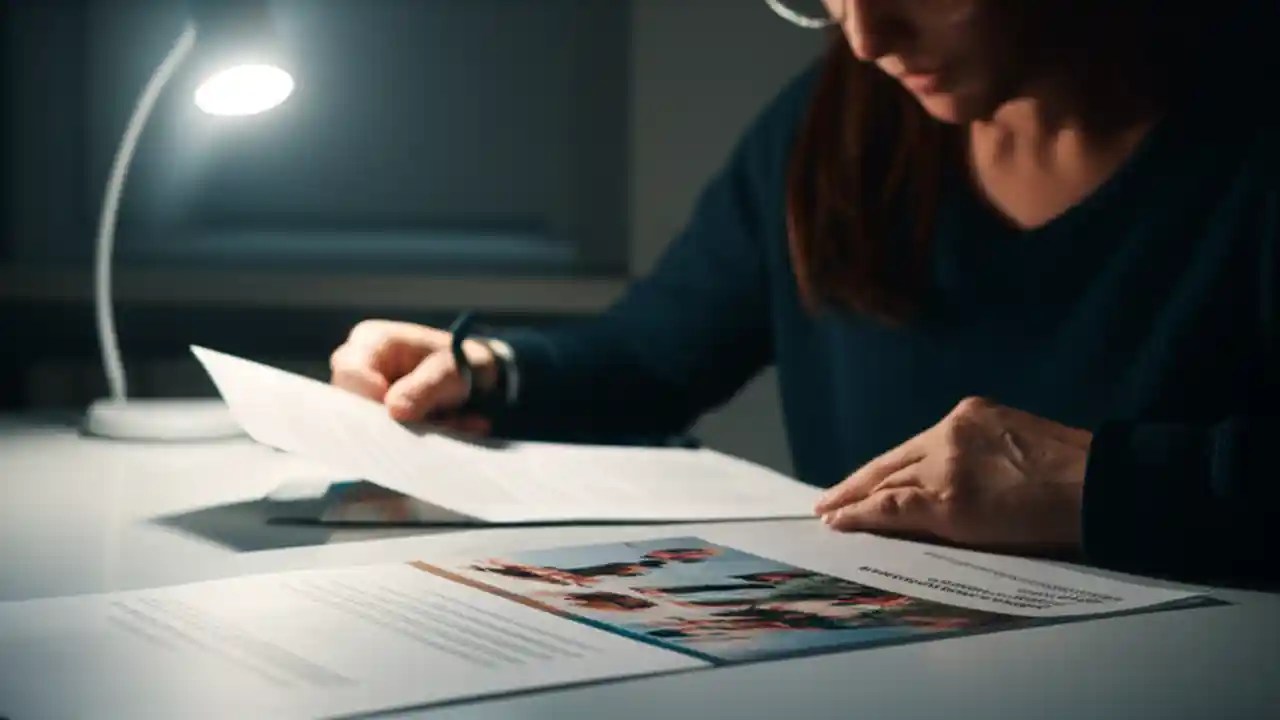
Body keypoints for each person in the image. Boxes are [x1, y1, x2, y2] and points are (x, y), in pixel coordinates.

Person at [329, 1, 1278, 584]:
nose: (866, 35)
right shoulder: (835, 124)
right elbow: (656, 355)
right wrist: (484, 370)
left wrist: (1101, 485)